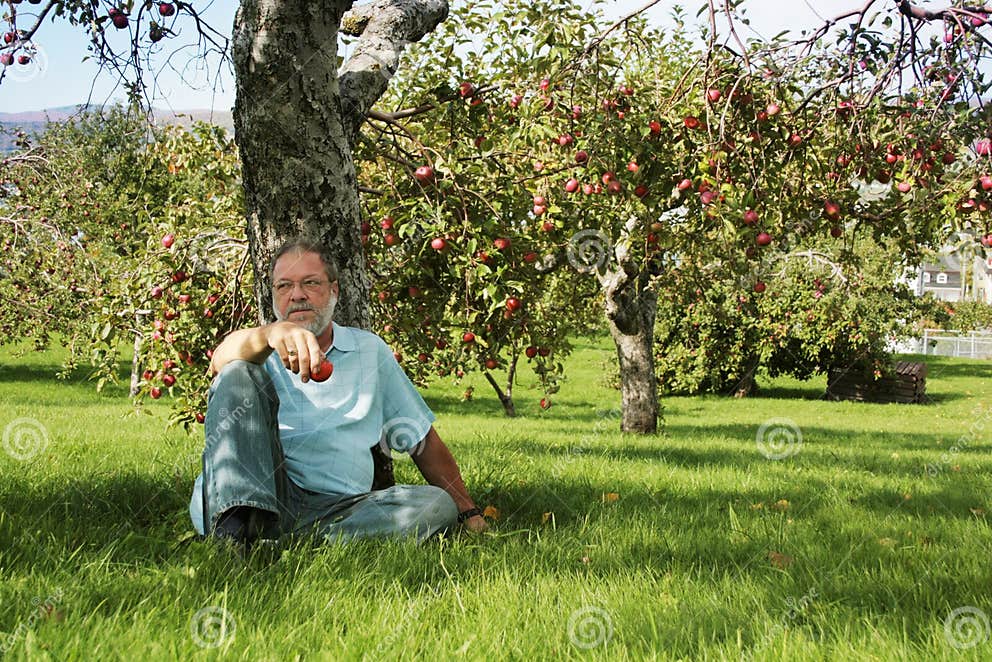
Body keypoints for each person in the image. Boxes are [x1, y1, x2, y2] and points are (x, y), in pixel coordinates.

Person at [188, 237, 487, 547]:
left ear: (334, 290)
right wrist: (270, 334)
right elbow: (220, 361)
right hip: (263, 498)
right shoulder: (258, 348)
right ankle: (236, 534)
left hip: (342, 508)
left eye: (310, 283)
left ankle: (285, 544)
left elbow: (420, 437)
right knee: (236, 371)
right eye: (284, 286)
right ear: (274, 296)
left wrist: (467, 510)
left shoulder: (368, 351)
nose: (297, 295)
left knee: (435, 506)